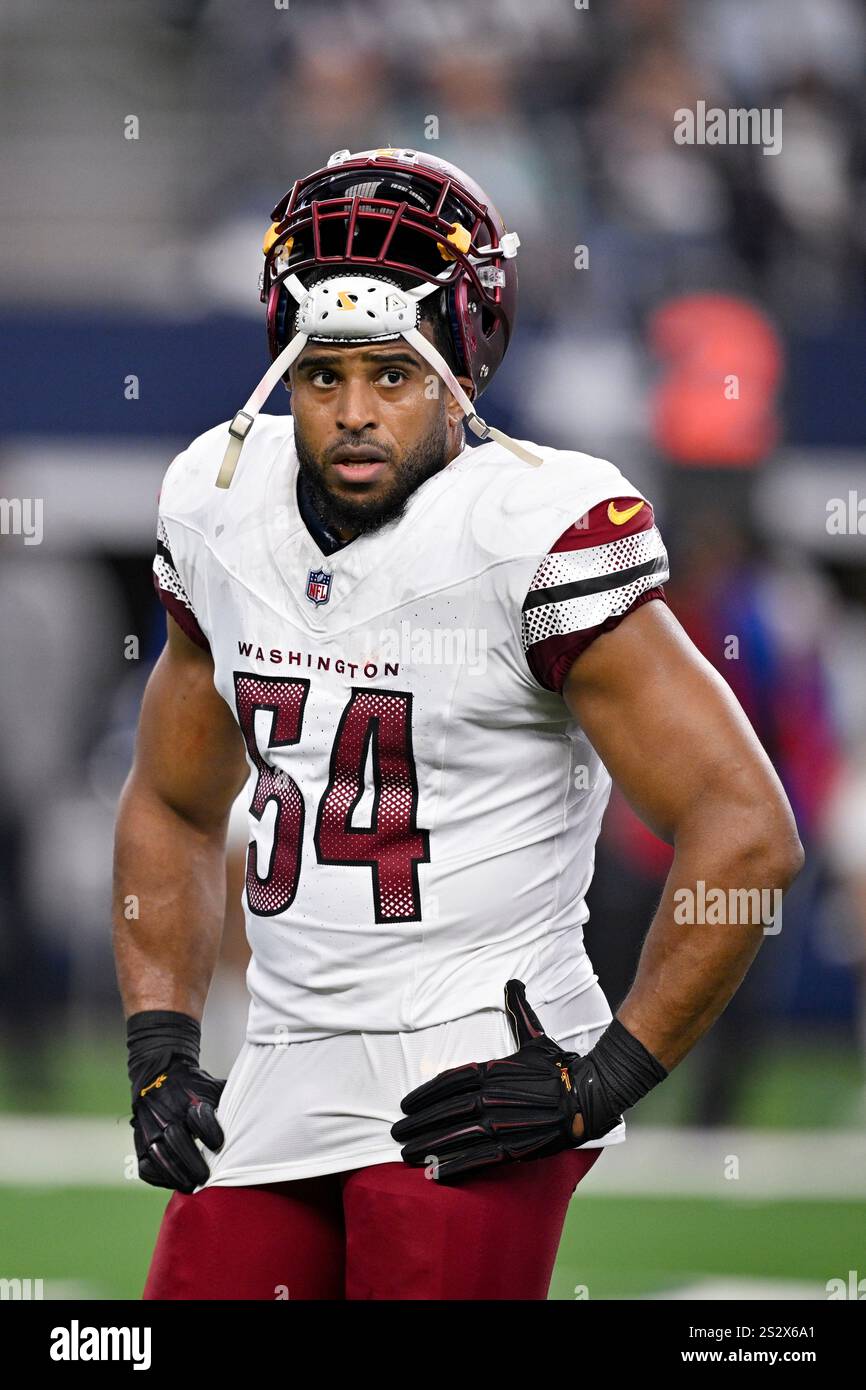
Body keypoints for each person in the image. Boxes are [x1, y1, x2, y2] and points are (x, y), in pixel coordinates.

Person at [112, 148, 803, 1300]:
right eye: (324, 375)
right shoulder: (218, 504)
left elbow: (745, 825)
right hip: (282, 1060)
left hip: (476, 1068)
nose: (353, 413)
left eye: (392, 373)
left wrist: (602, 1077)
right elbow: (176, 801)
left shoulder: (531, 527)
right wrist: (160, 1045)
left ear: (459, 368)